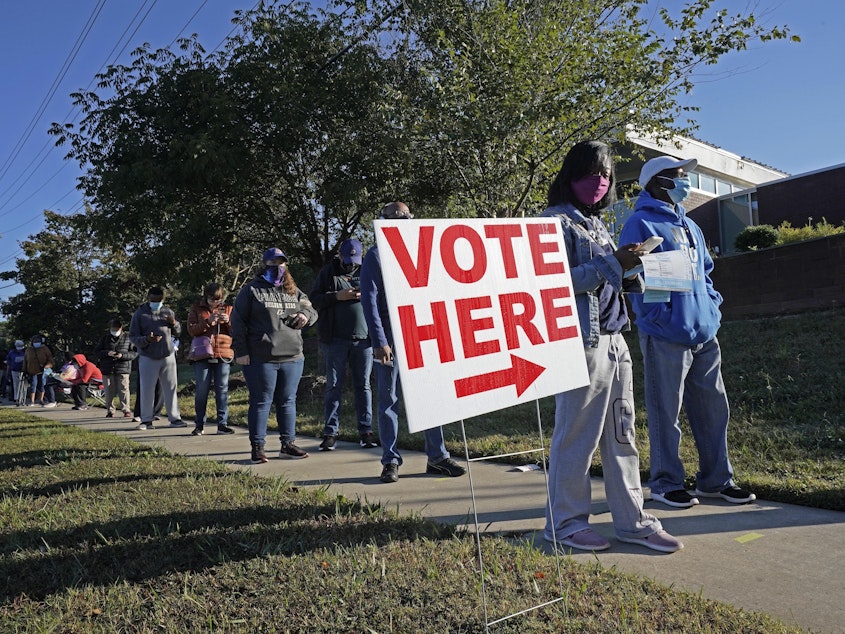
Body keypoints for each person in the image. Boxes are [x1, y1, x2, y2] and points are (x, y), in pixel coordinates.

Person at [539, 140, 682, 553]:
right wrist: (612, 264)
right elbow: (557, 286)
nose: (600, 182)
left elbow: (605, 280)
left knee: (623, 433)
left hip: (617, 339)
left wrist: (631, 270)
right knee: (577, 435)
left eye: (606, 175)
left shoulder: (598, 225)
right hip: (581, 343)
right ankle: (564, 522)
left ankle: (632, 519)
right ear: (570, 177)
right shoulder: (554, 222)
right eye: (591, 173)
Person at [619, 155, 756, 508]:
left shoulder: (691, 226)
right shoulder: (641, 223)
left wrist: (712, 306)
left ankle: (716, 481)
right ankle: (666, 483)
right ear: (657, 182)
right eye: (678, 177)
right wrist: (659, 317)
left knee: (713, 410)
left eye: (684, 176)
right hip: (665, 335)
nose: (685, 183)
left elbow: (706, 272)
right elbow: (632, 276)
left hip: (704, 333)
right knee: (666, 412)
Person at [360, 202, 466, 483]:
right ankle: (390, 461)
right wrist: (380, 341)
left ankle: (438, 457)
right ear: (381, 221)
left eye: (404, 217)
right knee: (388, 400)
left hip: (422, 334)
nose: (399, 221)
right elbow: (369, 303)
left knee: (431, 396)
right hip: (391, 339)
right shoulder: (375, 256)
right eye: (392, 218)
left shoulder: (425, 251)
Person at [231, 247, 318, 463]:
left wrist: (305, 316)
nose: (278, 267)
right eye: (273, 263)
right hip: (261, 357)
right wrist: (241, 351)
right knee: (261, 401)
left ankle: (287, 444)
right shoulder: (252, 290)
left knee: (288, 401)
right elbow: (238, 321)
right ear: (264, 265)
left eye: (281, 262)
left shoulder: (293, 290)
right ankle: (258, 447)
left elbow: (311, 309)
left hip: (293, 356)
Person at [310, 238, 376, 451]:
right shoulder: (328, 272)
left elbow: (381, 296)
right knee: (334, 386)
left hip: (364, 340)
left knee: (363, 386)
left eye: (354, 260)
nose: (350, 264)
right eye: (347, 259)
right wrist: (337, 296)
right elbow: (314, 300)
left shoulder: (369, 269)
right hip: (335, 340)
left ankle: (366, 431)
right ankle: (330, 432)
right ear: (339, 255)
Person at [128, 286, 186, 430]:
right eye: (154, 300)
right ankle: (146, 420)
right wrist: (147, 340)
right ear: (148, 298)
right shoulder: (140, 314)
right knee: (147, 389)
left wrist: (175, 324)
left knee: (171, 388)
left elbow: (178, 332)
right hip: (147, 356)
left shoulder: (168, 312)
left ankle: (175, 418)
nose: (157, 302)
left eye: (160, 300)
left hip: (168, 355)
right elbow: (133, 337)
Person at [187, 283, 236, 436]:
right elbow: (192, 330)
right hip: (203, 354)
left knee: (222, 389)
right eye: (212, 299)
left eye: (219, 300)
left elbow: (237, 331)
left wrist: (227, 321)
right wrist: (208, 322)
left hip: (223, 353)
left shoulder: (228, 308)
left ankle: (222, 424)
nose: (216, 302)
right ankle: (199, 424)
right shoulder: (197, 308)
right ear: (206, 297)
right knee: (202, 390)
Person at [94, 319, 137, 418]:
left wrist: (122, 356)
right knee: (108, 391)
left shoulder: (128, 338)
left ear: (121, 328)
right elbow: (97, 351)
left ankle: (126, 410)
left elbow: (134, 353)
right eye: (112, 329)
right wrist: (107, 353)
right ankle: (110, 410)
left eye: (116, 329)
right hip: (107, 368)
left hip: (123, 368)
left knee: (124, 390)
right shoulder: (105, 338)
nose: (114, 331)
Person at [22, 334, 53, 406]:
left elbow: (50, 359)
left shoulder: (45, 349)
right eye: (35, 341)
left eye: (38, 341)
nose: (36, 342)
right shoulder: (29, 349)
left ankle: (41, 399)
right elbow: (25, 360)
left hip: (42, 371)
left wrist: (47, 366)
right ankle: (32, 401)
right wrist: (24, 370)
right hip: (32, 371)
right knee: (33, 385)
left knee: (42, 385)